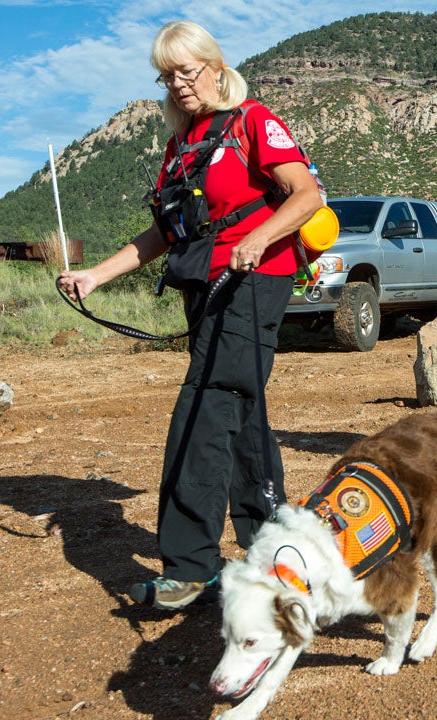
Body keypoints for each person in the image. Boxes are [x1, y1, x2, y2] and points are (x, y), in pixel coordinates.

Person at [56, 21, 323, 609]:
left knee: (205, 407)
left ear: (215, 66)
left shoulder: (255, 119)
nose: (178, 84)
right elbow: (162, 233)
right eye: (166, 75)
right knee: (240, 411)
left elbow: (308, 196)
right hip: (204, 281)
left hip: (255, 280)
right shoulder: (183, 145)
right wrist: (95, 274)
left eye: (188, 70)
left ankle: (191, 566)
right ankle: (274, 549)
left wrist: (259, 238)